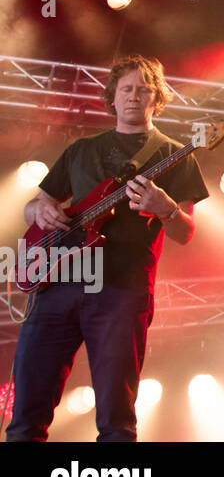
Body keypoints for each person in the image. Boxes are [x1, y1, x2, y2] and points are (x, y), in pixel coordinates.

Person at [6, 55, 208, 441]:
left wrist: (164, 208)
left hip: (121, 291)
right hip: (57, 286)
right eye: (126, 89)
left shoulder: (175, 155)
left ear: (157, 99)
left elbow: (185, 232)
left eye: (143, 90)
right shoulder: (82, 150)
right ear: (112, 98)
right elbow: (35, 204)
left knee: (116, 421)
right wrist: (42, 210)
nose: (134, 96)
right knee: (25, 416)